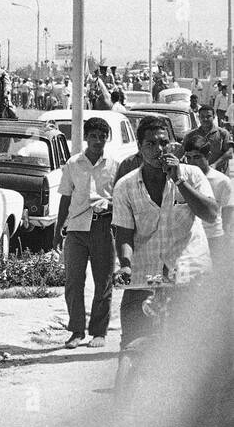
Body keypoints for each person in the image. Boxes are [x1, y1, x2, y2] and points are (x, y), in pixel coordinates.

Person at [112, 115, 219, 350]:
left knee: (192, 348)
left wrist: (179, 181)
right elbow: (123, 234)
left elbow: (211, 213)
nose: (158, 149)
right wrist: (126, 265)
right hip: (145, 275)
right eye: (150, 144)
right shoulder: (125, 186)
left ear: (172, 145)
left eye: (163, 143)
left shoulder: (192, 175)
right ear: (140, 148)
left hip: (189, 274)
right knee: (132, 341)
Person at [56, 117, 119, 349]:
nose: (98, 141)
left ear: (106, 139)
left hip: (103, 226)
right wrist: (57, 231)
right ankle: (76, 330)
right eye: (93, 136)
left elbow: (121, 199)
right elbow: (65, 197)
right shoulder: (73, 164)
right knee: (73, 281)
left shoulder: (114, 164)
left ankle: (99, 332)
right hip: (76, 228)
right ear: (86, 137)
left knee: (103, 281)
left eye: (102, 136)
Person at [181, 131, 230, 264]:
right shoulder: (182, 179)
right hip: (191, 239)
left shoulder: (222, 180)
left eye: (197, 157)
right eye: (188, 158)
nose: (192, 162)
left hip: (213, 237)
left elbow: (228, 217)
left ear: (208, 156)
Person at [194, 104, 232, 175]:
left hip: (220, 175)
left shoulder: (223, 133)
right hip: (200, 176)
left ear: (214, 117)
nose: (205, 119)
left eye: (208, 116)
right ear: (198, 118)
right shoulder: (192, 135)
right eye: (202, 116)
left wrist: (215, 164)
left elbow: (229, 153)